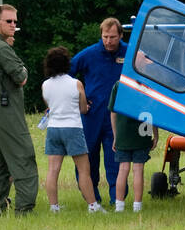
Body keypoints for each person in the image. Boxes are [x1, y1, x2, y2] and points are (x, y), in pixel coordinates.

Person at [0, 4, 38, 215]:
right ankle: (24, 209)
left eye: (15, 21)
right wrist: (23, 67)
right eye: (9, 21)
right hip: (5, 107)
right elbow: (21, 77)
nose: (14, 25)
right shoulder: (1, 47)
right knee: (23, 155)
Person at [71, 17, 127, 206]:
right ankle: (92, 198)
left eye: (113, 37)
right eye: (105, 37)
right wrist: (77, 98)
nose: (109, 41)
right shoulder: (89, 54)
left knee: (117, 157)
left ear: (120, 35)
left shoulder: (130, 52)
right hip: (91, 115)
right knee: (88, 157)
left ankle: (116, 199)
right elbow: (65, 72)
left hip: (117, 116)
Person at [41, 47, 103, 214]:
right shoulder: (76, 83)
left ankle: (54, 207)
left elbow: (49, 106)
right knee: (84, 170)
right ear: (67, 63)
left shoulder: (45, 85)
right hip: (73, 128)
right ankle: (92, 205)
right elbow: (83, 109)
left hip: (53, 129)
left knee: (53, 170)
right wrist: (85, 105)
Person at [110, 79, 158, 213]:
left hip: (123, 133)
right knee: (138, 170)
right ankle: (137, 206)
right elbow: (152, 112)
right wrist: (155, 134)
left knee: (123, 169)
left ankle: (119, 206)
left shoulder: (119, 84)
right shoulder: (149, 84)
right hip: (143, 132)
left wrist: (116, 136)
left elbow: (113, 112)